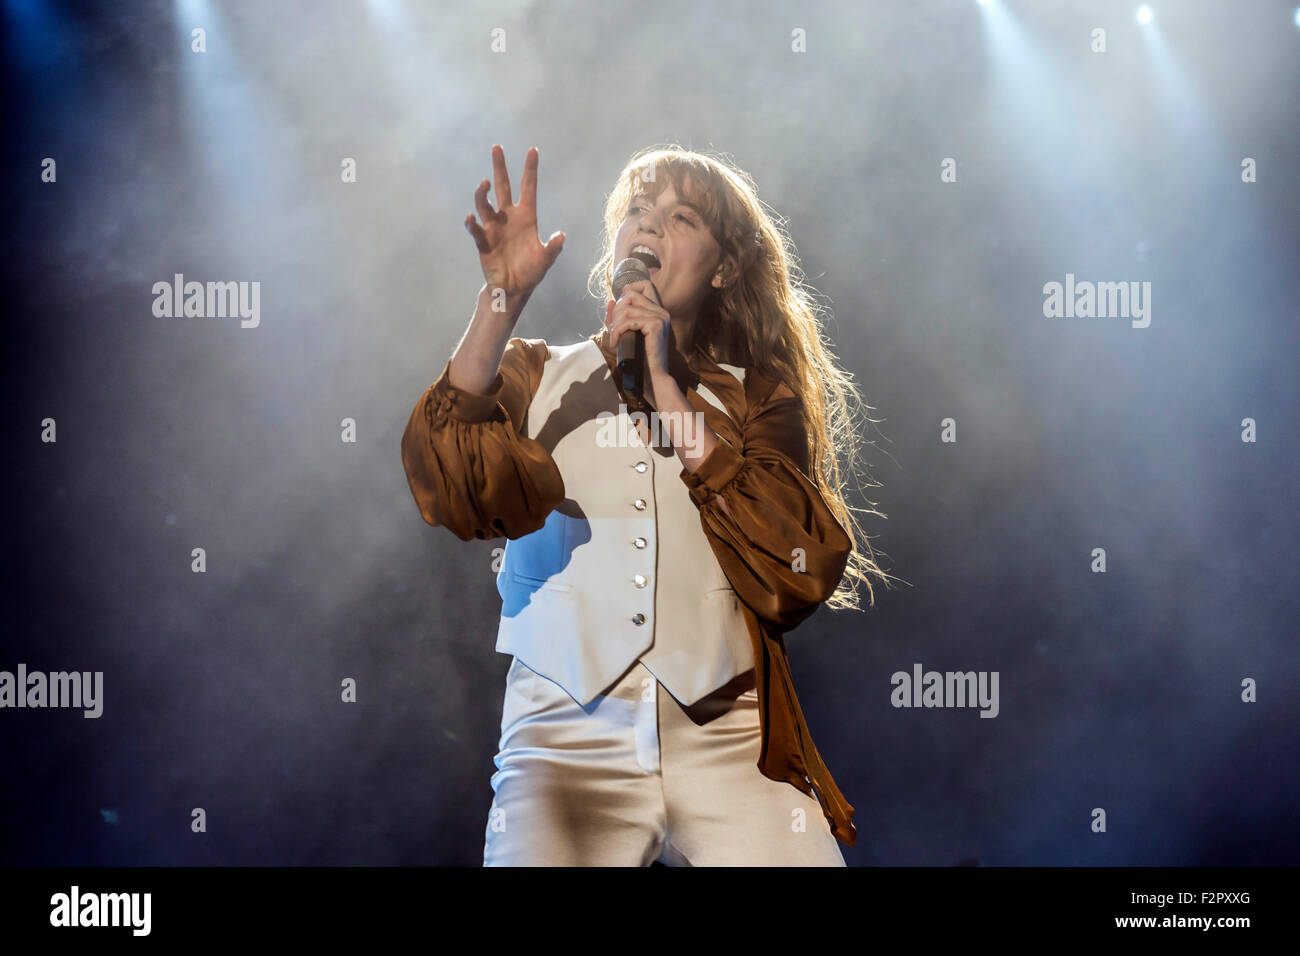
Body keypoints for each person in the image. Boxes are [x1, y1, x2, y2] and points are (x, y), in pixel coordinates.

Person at [400, 143, 895, 865]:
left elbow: (798, 561)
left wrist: (667, 387)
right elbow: (448, 474)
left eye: (682, 216)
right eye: (638, 210)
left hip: (730, 732)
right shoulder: (541, 373)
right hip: (564, 737)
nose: (651, 226)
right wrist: (500, 296)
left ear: (723, 268)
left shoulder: (755, 395)